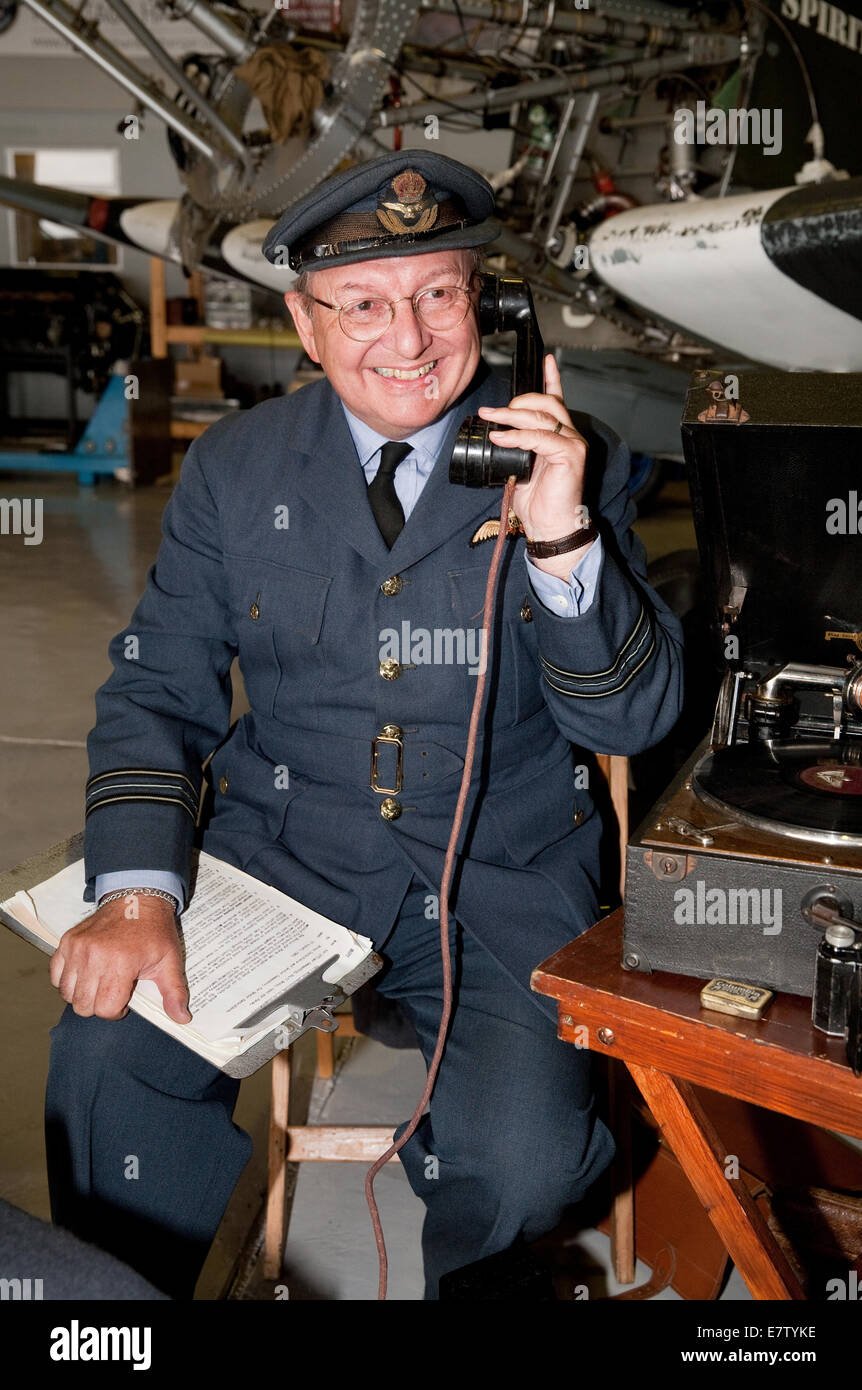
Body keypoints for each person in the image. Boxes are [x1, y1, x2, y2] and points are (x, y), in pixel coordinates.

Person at [45, 150, 684, 1300]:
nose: (407, 338)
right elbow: (155, 686)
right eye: (364, 304)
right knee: (103, 1059)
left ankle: (460, 1178)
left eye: (437, 294)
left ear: (482, 300)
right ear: (302, 319)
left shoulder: (566, 458)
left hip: (496, 873)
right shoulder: (236, 469)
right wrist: (136, 894)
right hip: (286, 857)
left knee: (527, 1160)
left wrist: (559, 539)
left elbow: (632, 717)